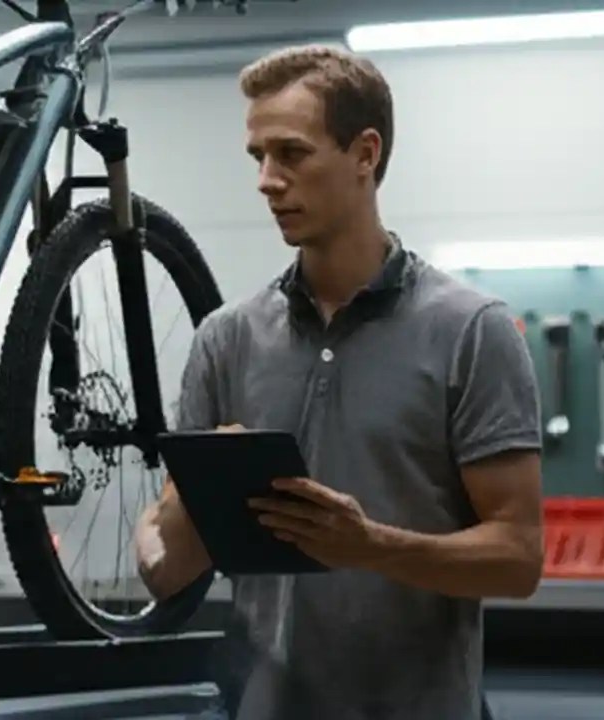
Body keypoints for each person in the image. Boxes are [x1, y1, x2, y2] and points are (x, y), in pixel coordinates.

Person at [134, 44, 545, 720]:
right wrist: (188, 498)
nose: (267, 180)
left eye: (291, 154)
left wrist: (371, 546)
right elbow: (165, 567)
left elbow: (518, 557)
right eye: (258, 157)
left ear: (365, 153)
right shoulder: (226, 340)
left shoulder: (472, 331)